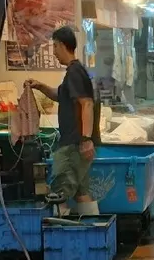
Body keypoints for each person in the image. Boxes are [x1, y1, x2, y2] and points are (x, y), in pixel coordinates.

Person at [24, 27, 100, 216]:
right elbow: (61, 96)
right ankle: (94, 236)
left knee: (60, 193)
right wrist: (40, 86)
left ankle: (61, 240)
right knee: (81, 193)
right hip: (76, 143)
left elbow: (87, 104)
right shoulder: (74, 72)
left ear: (63, 45)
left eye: (55, 47)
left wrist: (85, 139)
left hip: (73, 145)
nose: (54, 52)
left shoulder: (75, 72)